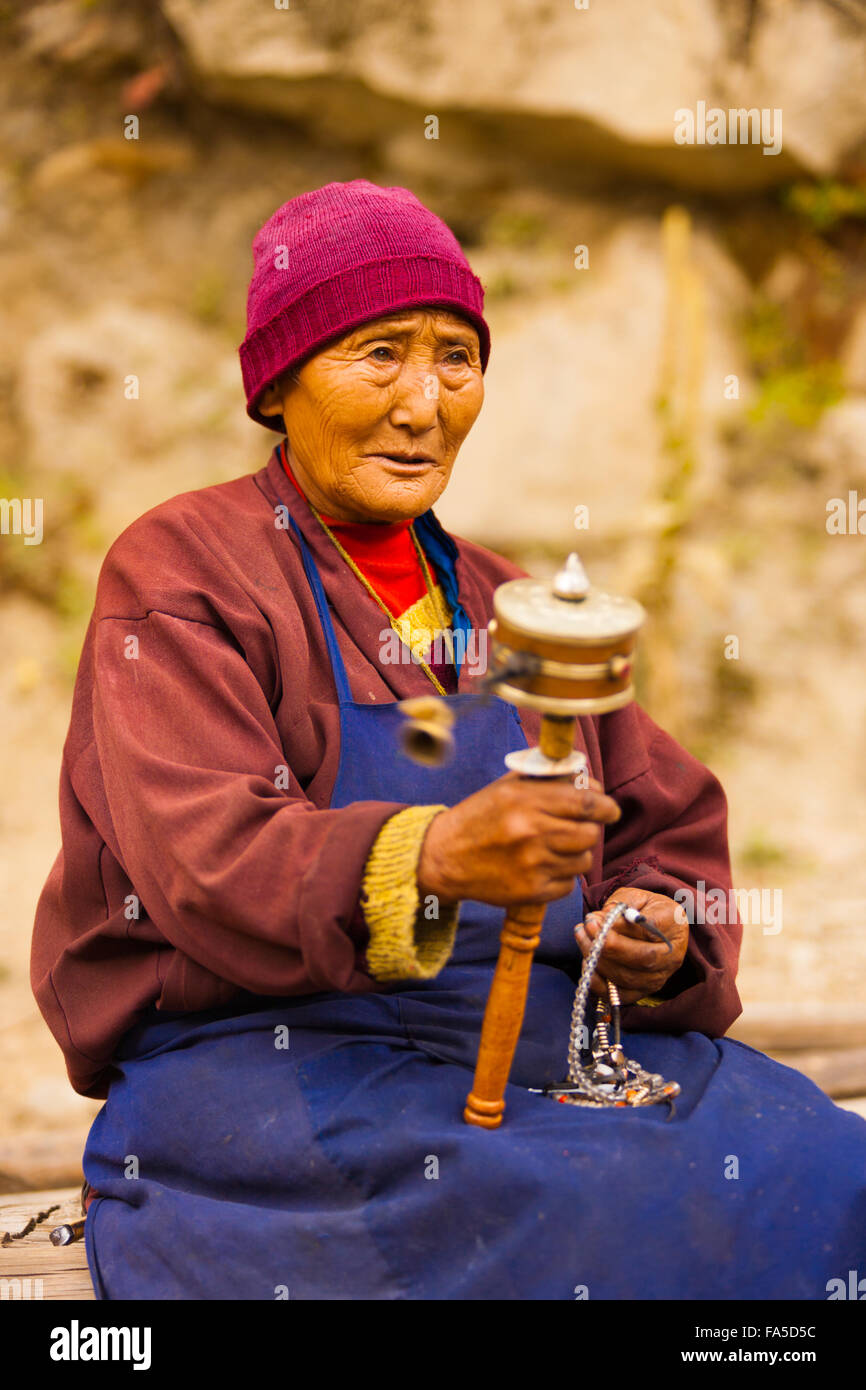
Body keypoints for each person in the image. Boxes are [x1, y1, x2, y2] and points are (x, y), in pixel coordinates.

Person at [32, 180, 866, 1300]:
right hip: (265, 1059)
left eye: (455, 359)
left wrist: (654, 926)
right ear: (278, 382)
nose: (422, 403)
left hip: (513, 1041)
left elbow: (658, 821)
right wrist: (425, 858)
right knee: (560, 1201)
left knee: (816, 1159)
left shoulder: (508, 601)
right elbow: (201, 859)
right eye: (378, 355)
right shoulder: (182, 570)